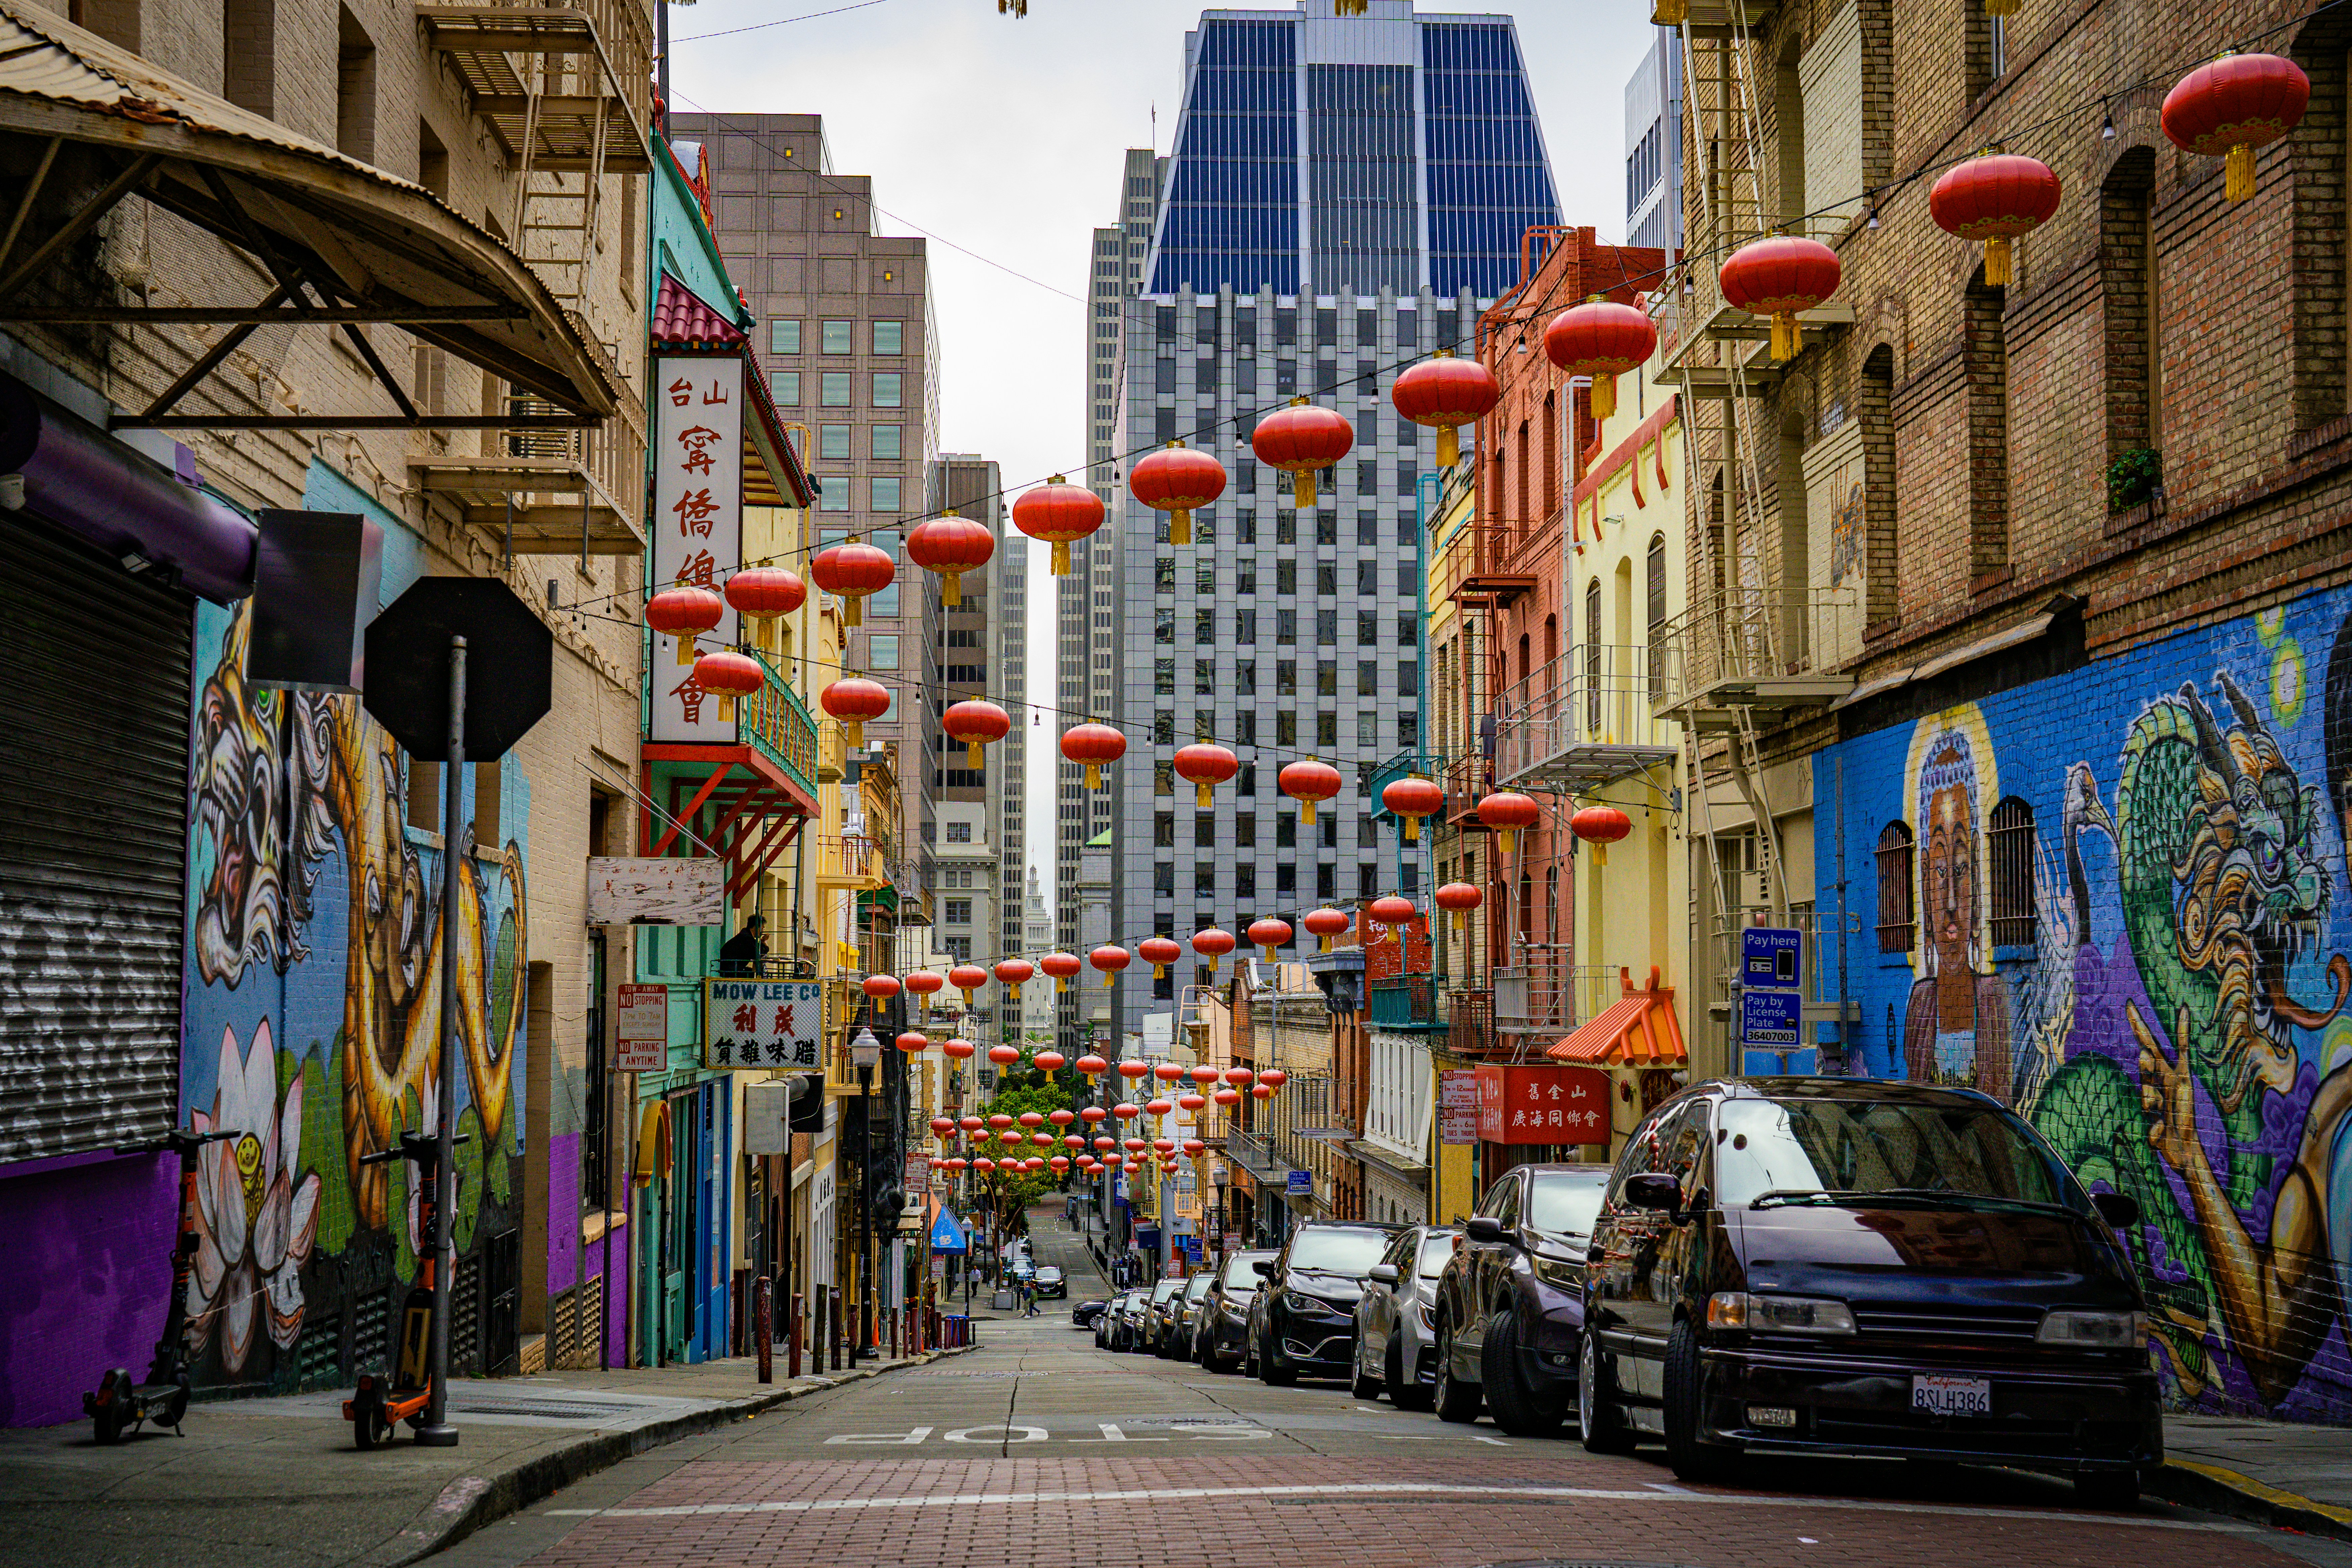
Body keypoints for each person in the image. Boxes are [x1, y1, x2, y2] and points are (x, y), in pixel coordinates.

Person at [718, 913, 767, 977]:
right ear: (755, 927)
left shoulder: (745, 936)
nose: (763, 932)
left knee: (754, 973)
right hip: (730, 971)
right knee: (754, 975)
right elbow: (756, 954)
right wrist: (766, 946)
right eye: (762, 928)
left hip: (731, 968)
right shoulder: (746, 938)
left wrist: (762, 943)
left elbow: (754, 950)